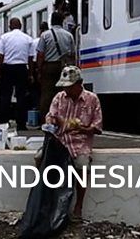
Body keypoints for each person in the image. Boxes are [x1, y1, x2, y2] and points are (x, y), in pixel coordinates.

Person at [44, 65, 102, 219]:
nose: (67, 90)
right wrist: (54, 122)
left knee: (82, 166)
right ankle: (48, 200)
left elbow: (97, 126)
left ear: (79, 84)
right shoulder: (59, 97)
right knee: (40, 159)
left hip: (80, 142)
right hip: (61, 139)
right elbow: (50, 116)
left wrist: (83, 128)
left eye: (70, 87)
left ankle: (78, 205)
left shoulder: (92, 99)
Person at [35, 12, 76, 120]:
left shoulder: (45, 35)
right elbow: (72, 54)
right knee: (64, 93)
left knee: (47, 94)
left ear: (51, 21)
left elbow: (40, 54)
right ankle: (63, 118)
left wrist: (39, 70)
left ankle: (46, 120)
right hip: (64, 67)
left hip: (49, 66)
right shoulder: (69, 35)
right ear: (62, 21)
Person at [0, 17, 34, 128]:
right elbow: (30, 58)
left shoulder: (4, 38)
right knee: (21, 96)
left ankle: (4, 122)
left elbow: (0, 56)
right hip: (22, 68)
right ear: (21, 26)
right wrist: (30, 74)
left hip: (8, 67)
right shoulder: (28, 39)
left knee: (6, 96)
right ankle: (21, 123)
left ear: (10, 26)